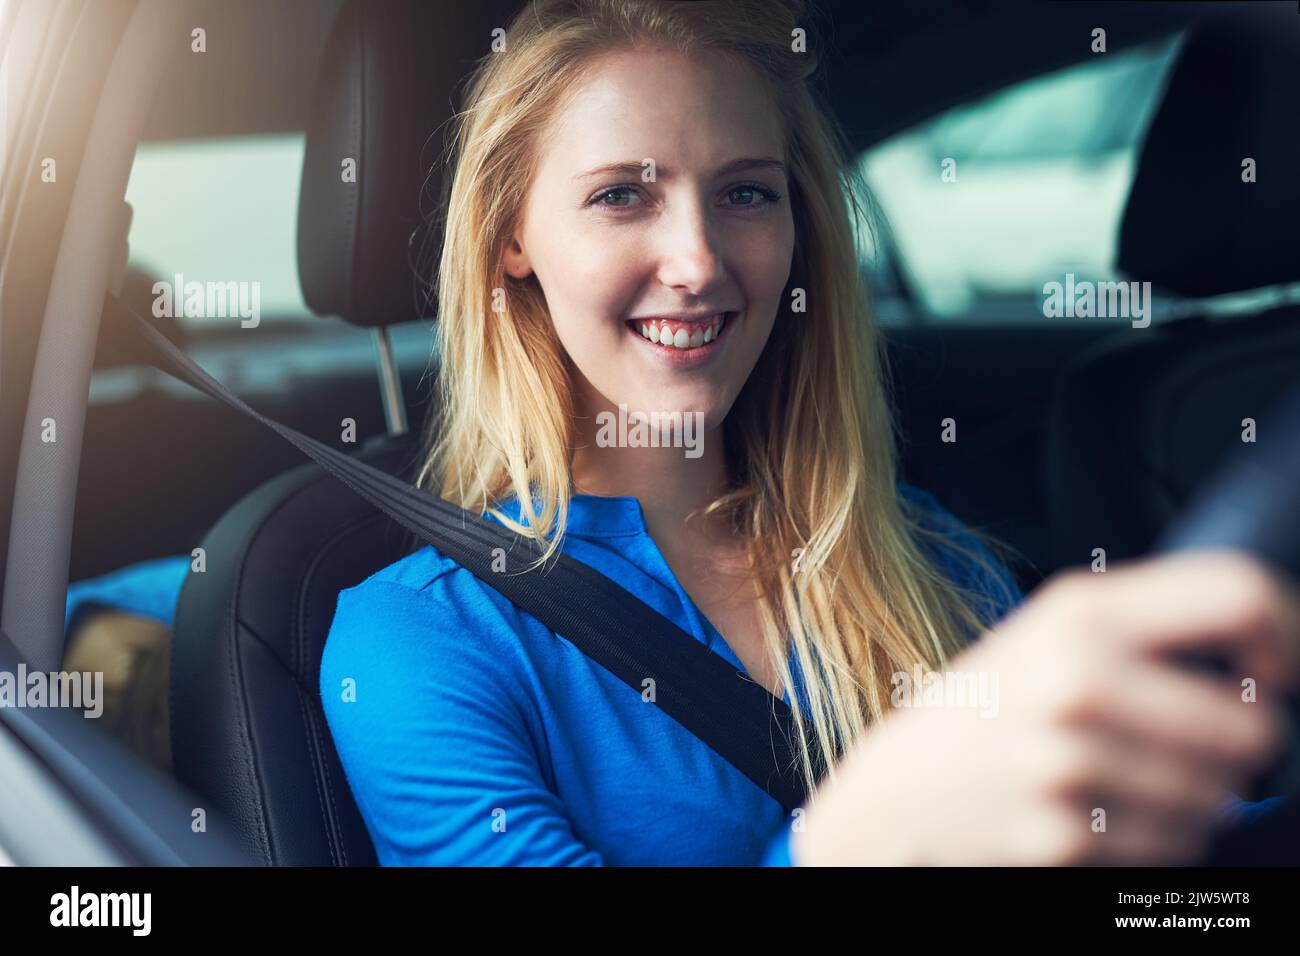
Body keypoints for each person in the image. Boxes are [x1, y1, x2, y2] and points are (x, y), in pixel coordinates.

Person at [312, 0, 1298, 866]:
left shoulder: (922, 555)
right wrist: (854, 840)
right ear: (511, 237)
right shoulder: (418, 640)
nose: (696, 260)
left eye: (745, 192)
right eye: (622, 195)